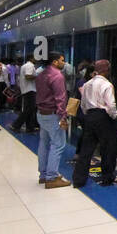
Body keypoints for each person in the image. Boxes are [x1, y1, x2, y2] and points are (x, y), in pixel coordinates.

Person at [72, 60, 117, 188]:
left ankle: (78, 180)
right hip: (104, 117)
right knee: (108, 148)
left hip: (90, 116)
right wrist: (114, 116)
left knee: (86, 150)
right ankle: (107, 178)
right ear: (106, 70)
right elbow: (111, 105)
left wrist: (88, 114)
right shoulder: (107, 85)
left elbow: (84, 104)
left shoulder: (87, 84)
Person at [36, 52, 71, 189]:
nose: (64, 63)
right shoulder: (57, 76)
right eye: (62, 60)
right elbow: (60, 99)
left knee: (44, 143)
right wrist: (63, 117)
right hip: (53, 115)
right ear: (55, 62)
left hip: (41, 113)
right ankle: (51, 177)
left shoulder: (41, 74)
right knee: (58, 144)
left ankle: (43, 175)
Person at [17, 53, 39, 133]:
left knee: (30, 109)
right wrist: (38, 76)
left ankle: (30, 127)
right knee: (29, 109)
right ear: (31, 58)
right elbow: (28, 76)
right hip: (30, 90)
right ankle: (16, 125)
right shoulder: (30, 65)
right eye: (35, 58)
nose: (36, 59)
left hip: (26, 89)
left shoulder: (24, 66)